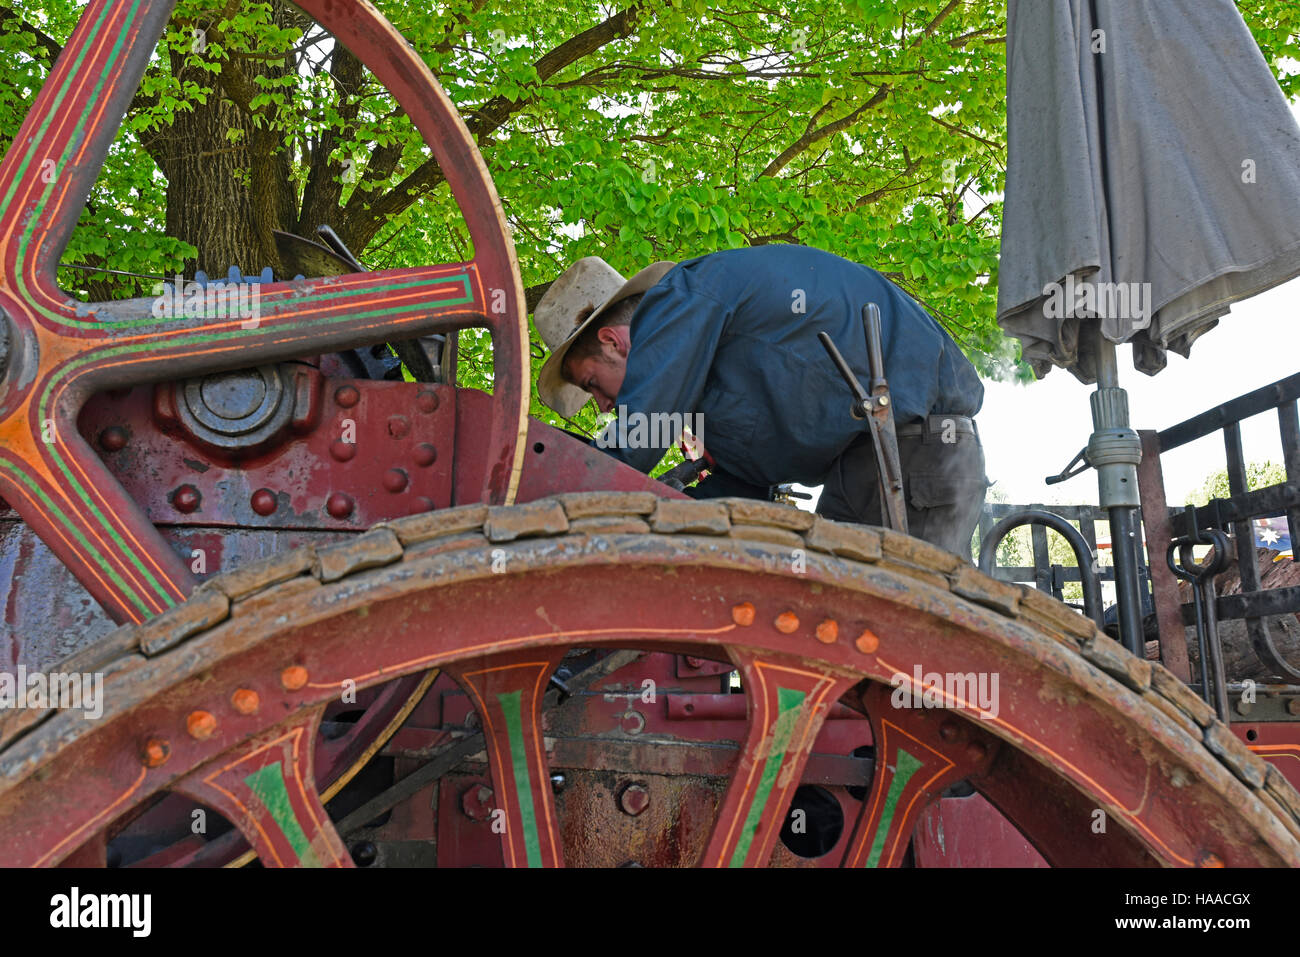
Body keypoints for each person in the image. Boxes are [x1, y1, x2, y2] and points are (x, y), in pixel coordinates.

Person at [534, 244, 990, 557]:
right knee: (828, 626)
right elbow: (743, 483)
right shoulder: (711, 370)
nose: (602, 407)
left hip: (912, 456)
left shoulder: (679, 301)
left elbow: (632, 445)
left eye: (592, 384)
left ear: (613, 341)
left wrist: (558, 497)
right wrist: (675, 511)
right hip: (869, 466)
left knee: (914, 658)